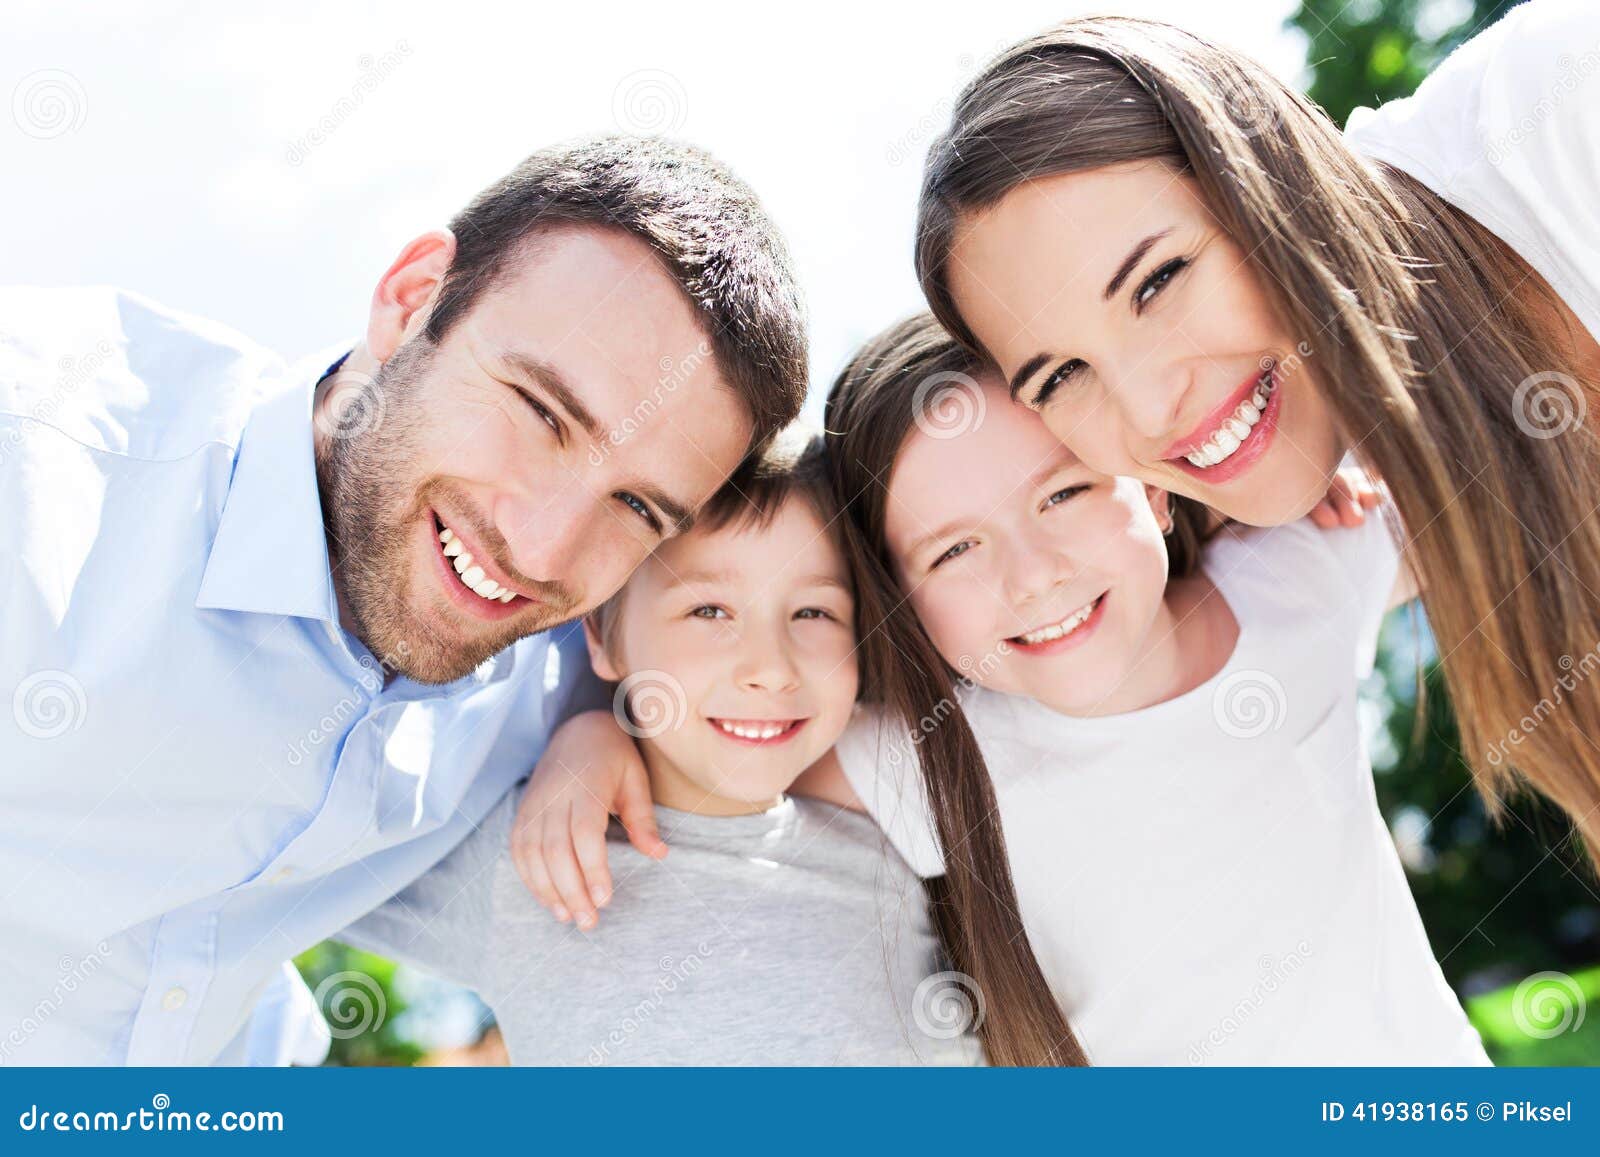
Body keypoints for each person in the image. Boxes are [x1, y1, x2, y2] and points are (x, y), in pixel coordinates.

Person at [0, 133, 807, 1064]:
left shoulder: (559, 659)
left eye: (634, 505)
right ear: (414, 297)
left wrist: (599, 728)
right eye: (541, 413)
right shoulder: (40, 473)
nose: (541, 546)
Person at [515, 315, 1487, 1064]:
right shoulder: (930, 752)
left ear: (1147, 480)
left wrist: (1297, 464)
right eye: (954, 549)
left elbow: (1500, 465)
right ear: (902, 600)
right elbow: (721, 746)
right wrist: (594, 736)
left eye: (1063, 492)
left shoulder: (1293, 578)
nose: (1033, 573)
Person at [911, 4, 1600, 867]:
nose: (1152, 409)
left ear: (1267, 173)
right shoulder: (1404, 496)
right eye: (1062, 376)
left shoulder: (1564, 101)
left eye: (1159, 280)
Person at [341, 435, 984, 1065]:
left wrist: (592, 730)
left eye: (814, 613)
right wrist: (587, 728)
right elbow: (272, 865)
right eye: (708, 611)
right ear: (602, 639)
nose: (771, 667)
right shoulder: (531, 854)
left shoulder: (898, 831)